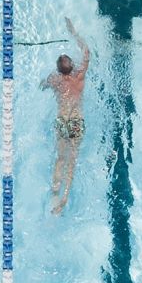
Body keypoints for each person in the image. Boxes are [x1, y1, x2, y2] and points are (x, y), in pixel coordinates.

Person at [43, 17, 91, 216]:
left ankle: (54, 191)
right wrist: (73, 31)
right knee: (72, 160)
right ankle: (64, 199)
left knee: (61, 158)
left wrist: (44, 82)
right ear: (71, 65)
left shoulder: (56, 80)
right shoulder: (79, 76)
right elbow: (87, 52)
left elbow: (44, 84)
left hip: (63, 121)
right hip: (76, 122)